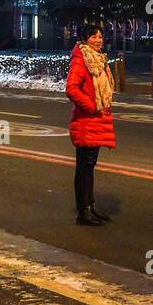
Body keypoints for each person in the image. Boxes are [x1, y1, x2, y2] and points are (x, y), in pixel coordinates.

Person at [65, 22, 116, 225]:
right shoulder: (81, 60)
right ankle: (83, 212)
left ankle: (90, 207)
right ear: (85, 39)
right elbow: (71, 88)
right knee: (84, 166)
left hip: (96, 120)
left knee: (89, 165)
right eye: (94, 37)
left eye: (100, 36)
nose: (98, 40)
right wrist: (92, 106)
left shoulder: (98, 60)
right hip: (86, 120)